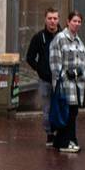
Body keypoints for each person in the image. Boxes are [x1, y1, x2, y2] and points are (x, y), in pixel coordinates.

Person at [48, 10, 85, 153]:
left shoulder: (80, 42)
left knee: (73, 114)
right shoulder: (59, 39)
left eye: (79, 21)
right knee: (65, 114)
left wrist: (81, 74)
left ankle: (68, 140)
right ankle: (64, 142)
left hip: (77, 86)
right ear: (68, 22)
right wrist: (64, 78)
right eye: (74, 21)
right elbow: (55, 64)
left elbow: (84, 65)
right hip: (65, 85)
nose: (77, 24)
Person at [25, 8, 60, 148]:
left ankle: (61, 133)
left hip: (61, 80)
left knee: (62, 107)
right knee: (47, 109)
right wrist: (40, 70)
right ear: (45, 20)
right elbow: (30, 57)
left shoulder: (63, 36)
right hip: (45, 80)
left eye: (55, 18)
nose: (52, 21)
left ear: (59, 20)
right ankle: (50, 135)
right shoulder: (39, 37)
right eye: (50, 18)